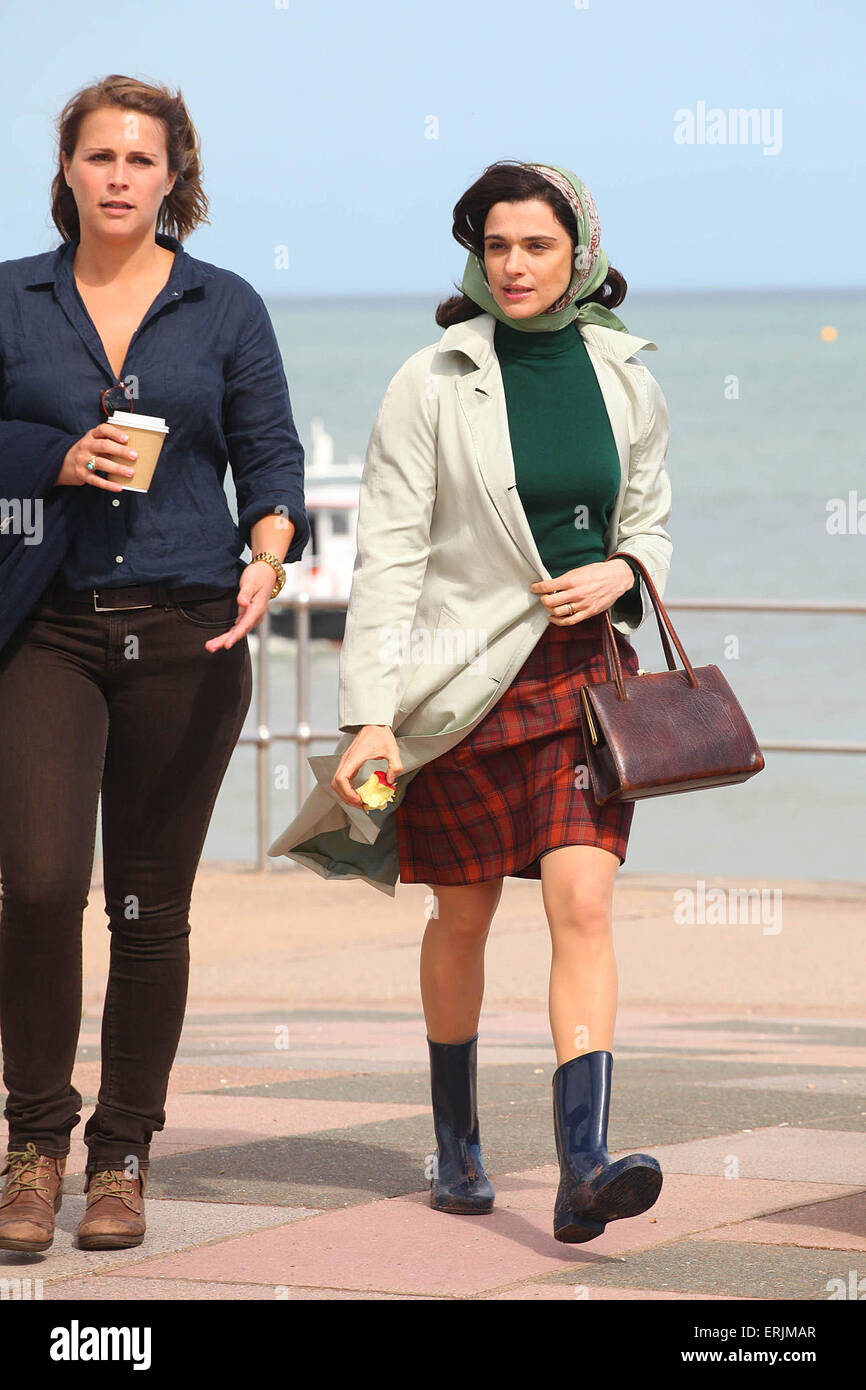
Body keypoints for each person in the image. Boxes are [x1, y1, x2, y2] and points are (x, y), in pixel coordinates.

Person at [324, 160, 673, 1243]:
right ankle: (459, 1144)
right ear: (473, 256)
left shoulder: (625, 374)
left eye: (536, 244)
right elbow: (385, 557)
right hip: (461, 687)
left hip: (584, 684)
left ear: (581, 253)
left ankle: (582, 1166)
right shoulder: (429, 380)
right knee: (462, 913)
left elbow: (649, 520)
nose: (513, 265)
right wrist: (367, 713)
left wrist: (622, 571)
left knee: (581, 901)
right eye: (495, 245)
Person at [0, 74, 309, 1253]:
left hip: (187, 625)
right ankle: (34, 1143)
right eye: (99, 157)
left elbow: (271, 456)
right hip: (45, 626)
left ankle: (123, 1154)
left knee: (148, 902)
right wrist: (51, 455)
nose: (120, 176)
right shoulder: (12, 299)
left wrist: (268, 555)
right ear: (67, 170)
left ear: (175, 173)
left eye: (142, 158)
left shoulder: (223, 306)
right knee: (34, 885)